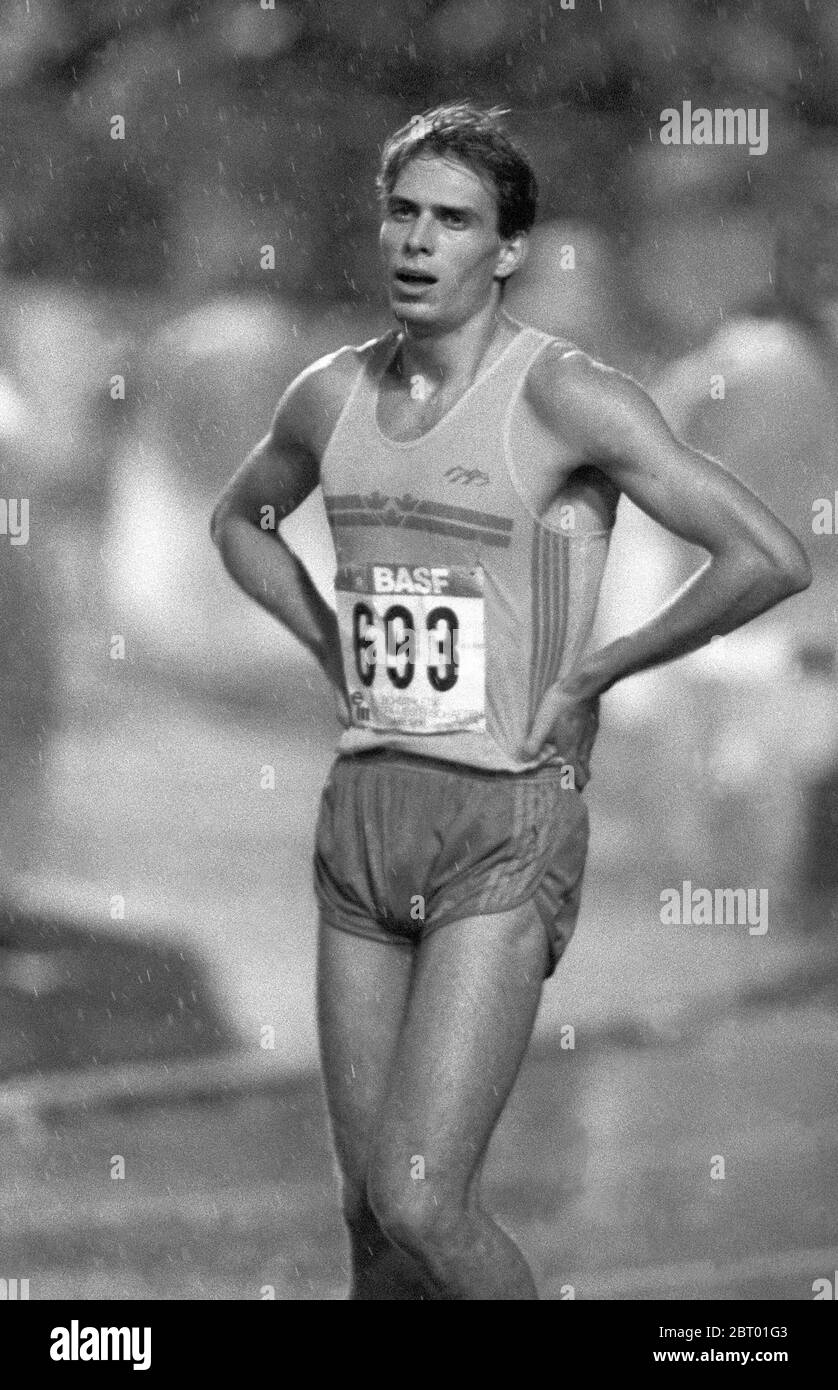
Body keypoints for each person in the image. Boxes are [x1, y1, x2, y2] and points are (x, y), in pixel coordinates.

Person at [210, 103, 811, 1300]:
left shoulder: (564, 395)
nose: (418, 242)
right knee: (367, 1215)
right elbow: (239, 518)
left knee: (424, 1198)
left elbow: (767, 556)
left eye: (453, 220)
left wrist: (598, 669)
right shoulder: (328, 395)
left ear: (509, 250)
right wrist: (329, 641)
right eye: (402, 213)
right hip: (364, 821)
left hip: (504, 821)